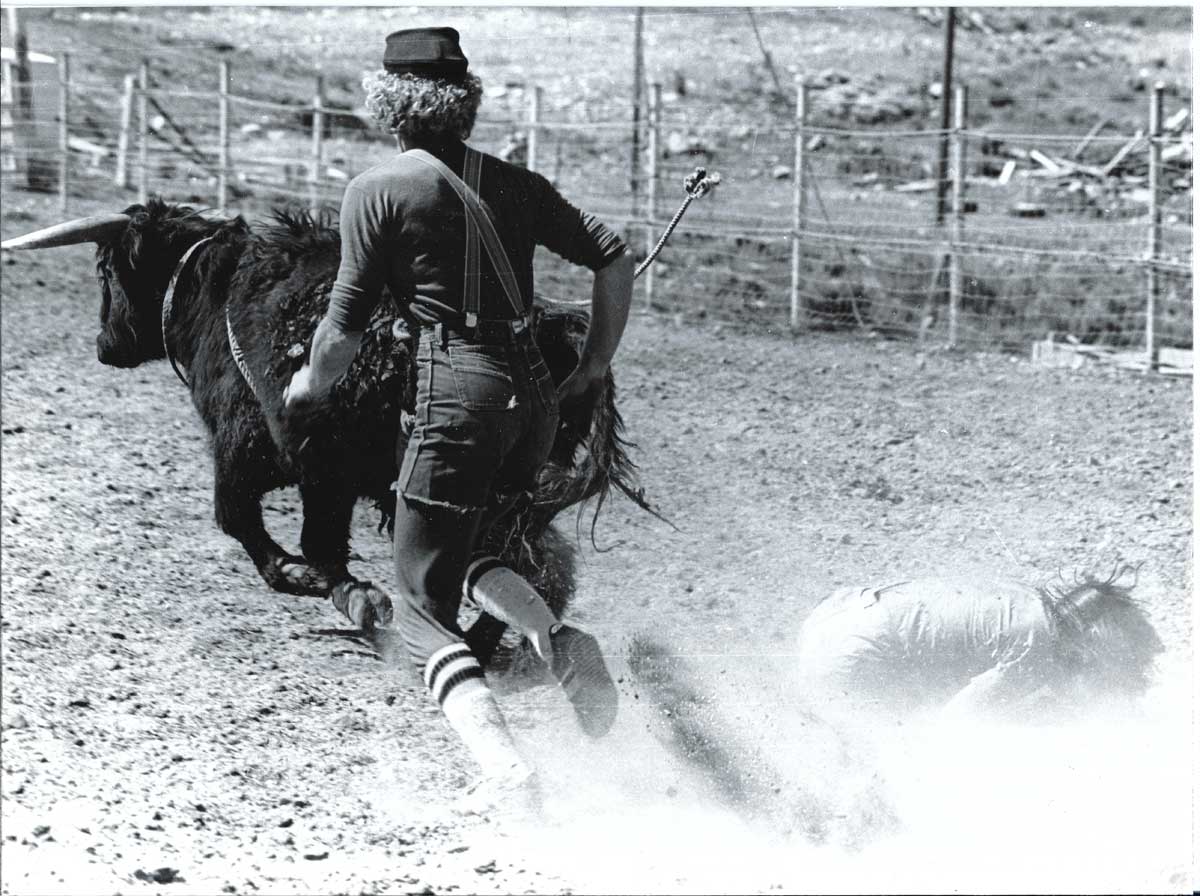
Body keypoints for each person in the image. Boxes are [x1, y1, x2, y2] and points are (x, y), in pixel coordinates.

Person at [283, 27, 634, 808]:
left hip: (456, 395)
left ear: (389, 100)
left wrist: (308, 386)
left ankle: (505, 771)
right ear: (463, 101)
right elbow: (613, 256)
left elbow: (340, 331)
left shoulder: (378, 188)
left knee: (417, 602)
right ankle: (559, 639)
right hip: (532, 398)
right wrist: (595, 365)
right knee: (469, 545)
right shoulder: (517, 183)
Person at [794, 566, 1163, 718]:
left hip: (833, 619)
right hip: (851, 661)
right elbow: (959, 722)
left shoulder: (1026, 601)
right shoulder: (1036, 647)